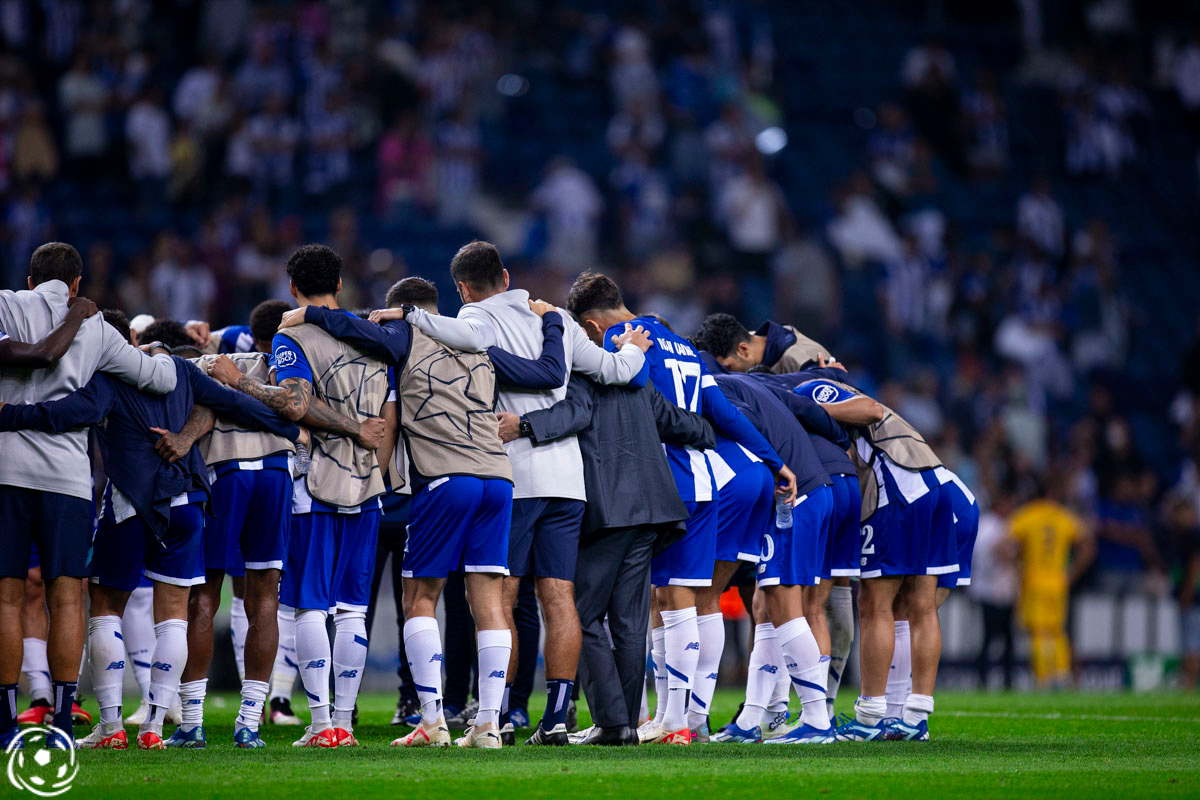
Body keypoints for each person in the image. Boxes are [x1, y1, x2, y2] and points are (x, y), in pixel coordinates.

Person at [276, 277, 569, 749]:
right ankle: (489, 724)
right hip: (499, 479)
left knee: (419, 598)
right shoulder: (480, 344)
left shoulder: (404, 336)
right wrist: (553, 321)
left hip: (445, 478)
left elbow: (356, 331)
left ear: (397, 313)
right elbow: (545, 374)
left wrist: (309, 314)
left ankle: (432, 721)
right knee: (491, 603)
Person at [0, 318, 303, 750]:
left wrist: (11, 414)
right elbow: (237, 405)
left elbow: (72, 412)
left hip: (130, 502)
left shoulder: (110, 375)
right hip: (186, 501)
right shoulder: (183, 373)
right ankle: (155, 729)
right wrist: (292, 429)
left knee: (105, 606)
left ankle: (111, 728)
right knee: (174, 613)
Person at [396, 241, 648, 746]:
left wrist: (407, 317)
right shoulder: (556, 319)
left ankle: (501, 714)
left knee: (500, 596)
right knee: (559, 594)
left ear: (464, 287)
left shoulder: (474, 319)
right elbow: (616, 372)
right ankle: (556, 715)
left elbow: (444, 332)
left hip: (511, 474)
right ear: (507, 276)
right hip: (568, 479)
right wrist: (633, 349)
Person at [562, 271, 796, 745]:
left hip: (668, 482)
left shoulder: (623, 343)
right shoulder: (683, 346)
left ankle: (672, 720)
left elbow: (641, 404)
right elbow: (724, 413)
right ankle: (688, 719)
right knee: (695, 599)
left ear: (590, 323)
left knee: (670, 600)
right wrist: (774, 461)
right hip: (707, 479)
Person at [212, 244, 396, 748]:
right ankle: (344, 723)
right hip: (367, 486)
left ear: (292, 289)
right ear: (339, 284)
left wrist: (240, 385)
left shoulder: (293, 335)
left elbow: (294, 404)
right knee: (353, 608)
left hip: (315, 485)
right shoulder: (374, 337)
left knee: (311, 606)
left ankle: (320, 725)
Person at [0, 242, 179, 748]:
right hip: (67, 482)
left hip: (5, 470)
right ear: (76, 284)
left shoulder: (4, 304)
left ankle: (6, 720)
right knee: (66, 595)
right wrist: (162, 348)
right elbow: (161, 379)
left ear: (30, 280)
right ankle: (60, 718)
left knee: (8, 595)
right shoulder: (97, 330)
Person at [496, 362, 715, 745]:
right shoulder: (639, 385)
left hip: (609, 513)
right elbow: (690, 426)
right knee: (630, 625)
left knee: (578, 614)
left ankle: (613, 722)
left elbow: (573, 414)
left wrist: (524, 425)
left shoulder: (578, 378)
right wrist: (714, 428)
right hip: (653, 513)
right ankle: (626, 724)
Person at [791, 370, 953, 741]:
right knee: (920, 605)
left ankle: (870, 717)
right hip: (935, 480)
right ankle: (916, 717)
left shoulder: (806, 391)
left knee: (875, 604)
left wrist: (810, 409)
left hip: (898, 484)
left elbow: (871, 408)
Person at [690, 346, 840, 744]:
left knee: (785, 605)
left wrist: (774, 466)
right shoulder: (745, 381)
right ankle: (750, 718)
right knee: (764, 604)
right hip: (812, 490)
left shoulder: (716, 388)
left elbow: (744, 423)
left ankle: (816, 720)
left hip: (794, 496)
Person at [1009, 478, 1096, 687]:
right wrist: (1072, 572)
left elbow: (1005, 543)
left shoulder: (1028, 514)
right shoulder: (1063, 516)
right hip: (1058, 581)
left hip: (1034, 581)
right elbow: (1088, 543)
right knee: (1056, 630)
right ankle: (1061, 674)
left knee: (1038, 631)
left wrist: (1017, 565)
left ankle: (1042, 677)